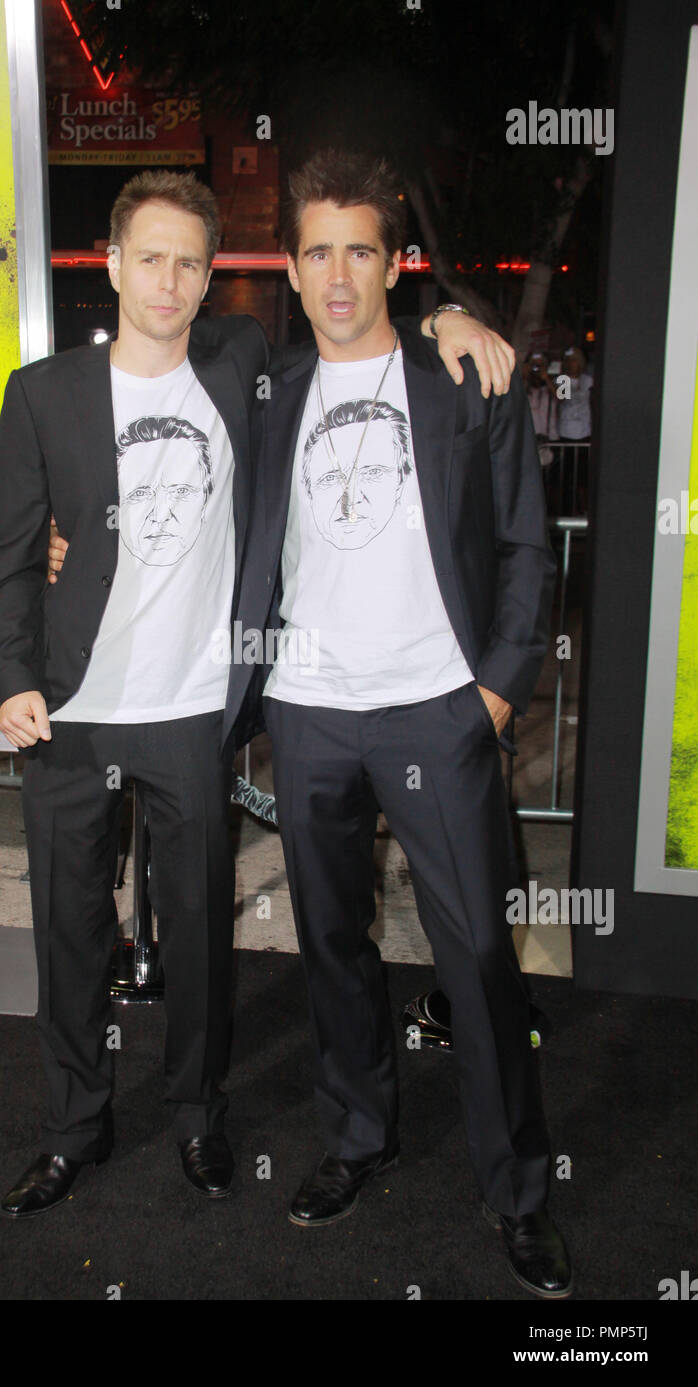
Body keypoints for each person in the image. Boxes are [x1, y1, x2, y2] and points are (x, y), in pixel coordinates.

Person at [0, 169, 511, 1221]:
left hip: (191, 712)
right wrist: (13, 677)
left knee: (198, 939)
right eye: (149, 258)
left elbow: (361, 319)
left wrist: (450, 309)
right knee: (69, 932)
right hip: (72, 712)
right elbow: (5, 557)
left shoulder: (240, 369)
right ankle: (73, 1129)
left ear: (211, 275)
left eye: (189, 262)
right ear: (111, 261)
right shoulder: (42, 392)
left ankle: (195, 1119)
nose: (168, 282)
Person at [226, 150, 571, 1299]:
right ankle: (355, 1136)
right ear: (288, 264)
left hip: (437, 712)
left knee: (475, 958)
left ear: (393, 260)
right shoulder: (265, 388)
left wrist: (492, 690)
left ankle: (517, 1192)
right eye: (314, 250)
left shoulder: (459, 383)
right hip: (310, 714)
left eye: (359, 249)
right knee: (330, 948)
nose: (335, 274)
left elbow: (526, 544)